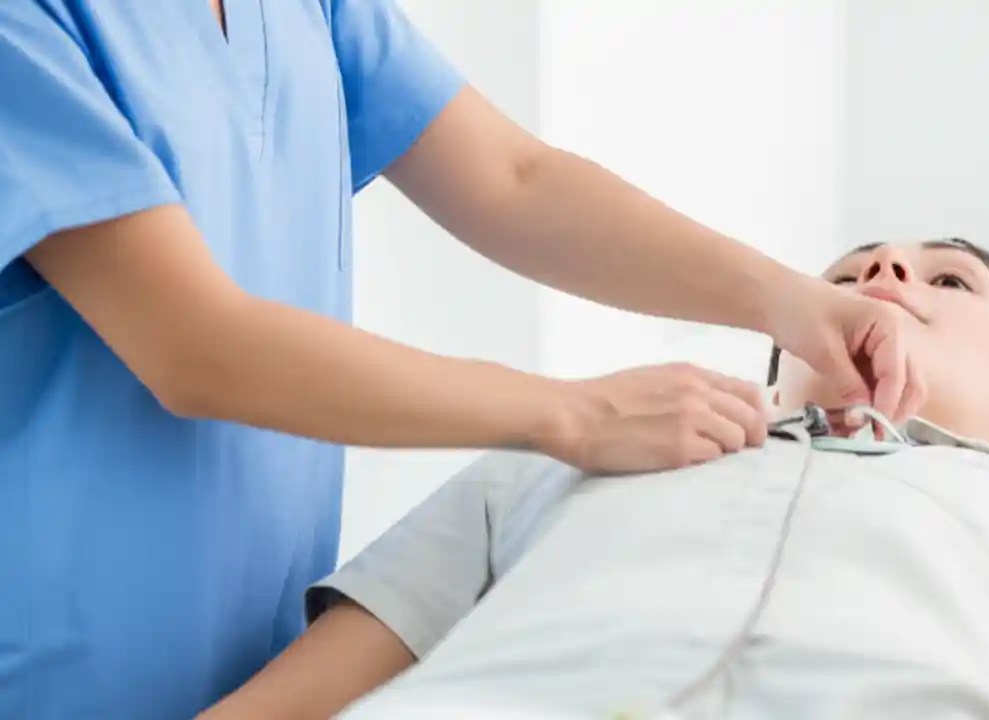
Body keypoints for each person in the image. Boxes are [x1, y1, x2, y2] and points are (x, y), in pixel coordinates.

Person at [0, 3, 928, 718]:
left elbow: (515, 181)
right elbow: (195, 347)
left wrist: (790, 299)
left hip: (255, 656)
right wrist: (572, 414)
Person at [200, 239, 989, 718]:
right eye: (846, 274)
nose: (883, 272)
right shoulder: (556, 459)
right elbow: (294, 703)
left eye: (948, 280)